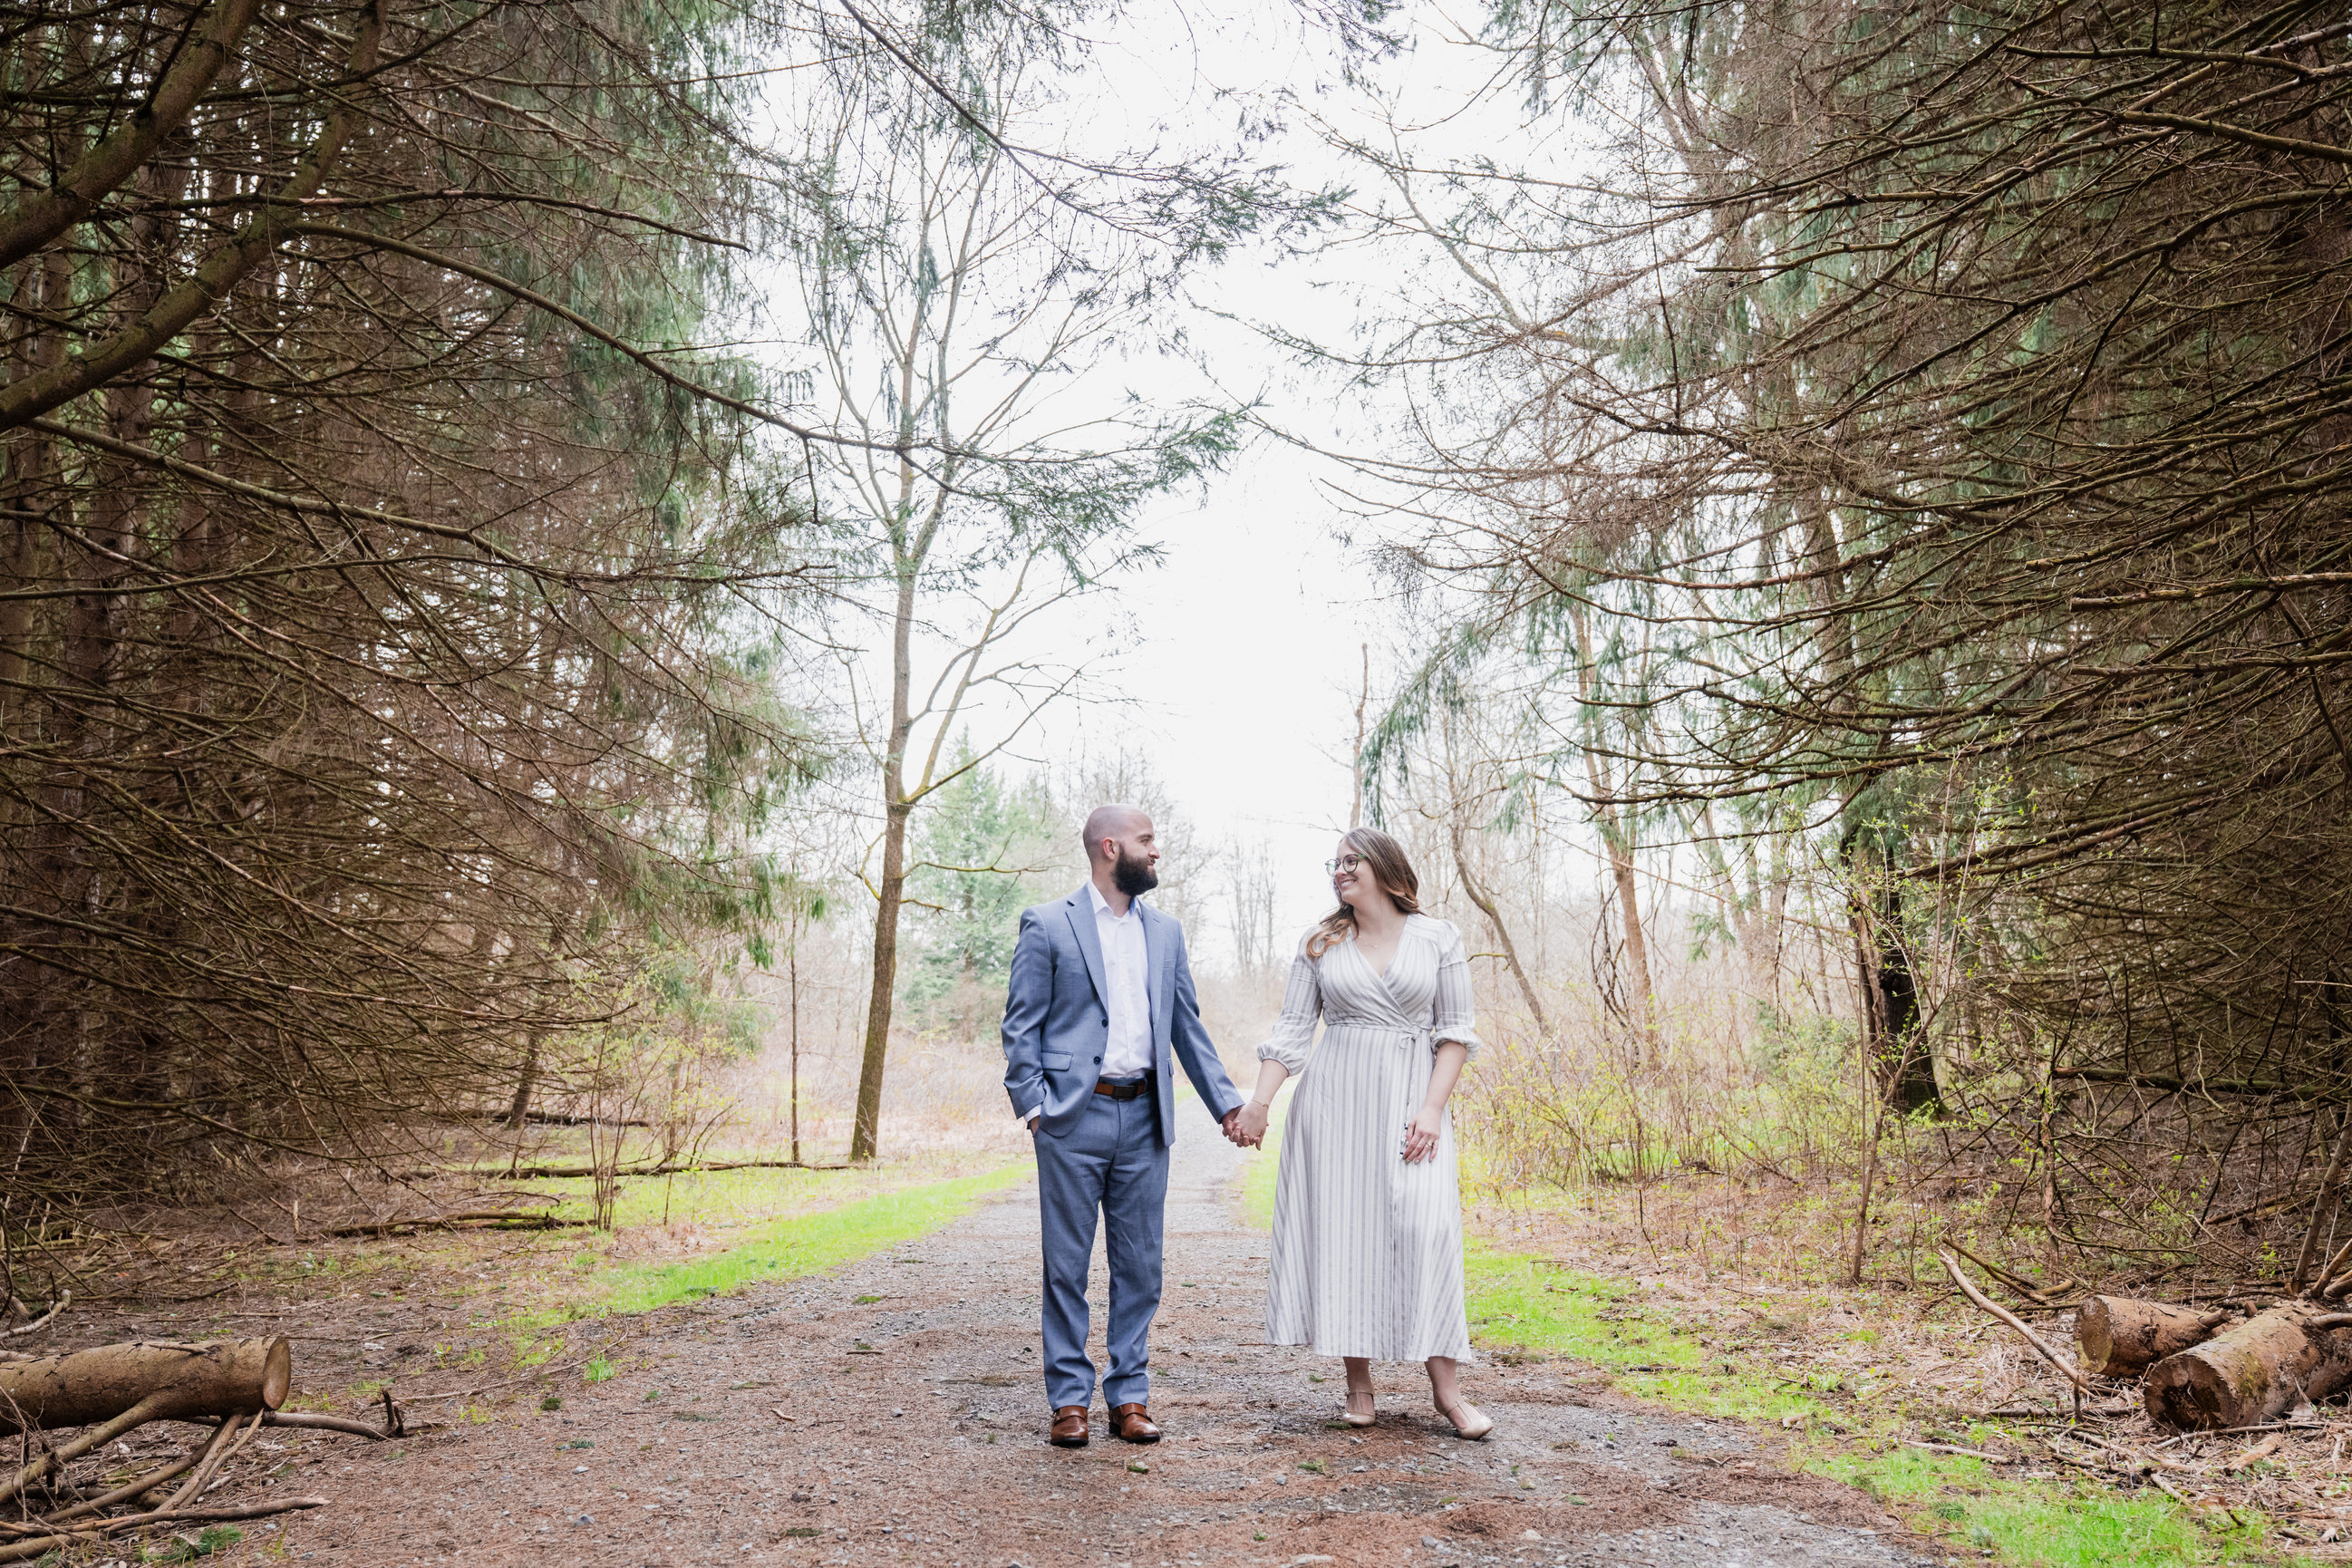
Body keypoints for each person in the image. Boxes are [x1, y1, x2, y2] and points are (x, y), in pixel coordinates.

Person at [1232, 826, 1493, 1439]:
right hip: (1335, 1104)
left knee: (1425, 1233)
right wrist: (1259, 1104)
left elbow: (1455, 1032)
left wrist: (1431, 1108)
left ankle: (1447, 1393)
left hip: (1410, 1100)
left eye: (1353, 861)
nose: (1340, 870)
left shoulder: (1437, 937)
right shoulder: (1321, 943)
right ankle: (1358, 1385)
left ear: (1383, 867)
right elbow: (1293, 1032)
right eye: (1336, 862)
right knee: (1347, 1238)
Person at [1002, 804, 1249, 1448]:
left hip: (1145, 1118)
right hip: (1070, 1121)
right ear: (1110, 848)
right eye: (1147, 841)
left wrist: (1226, 1104)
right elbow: (1020, 1026)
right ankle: (1067, 1402)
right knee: (1066, 1266)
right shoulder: (1048, 924)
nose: (1156, 851)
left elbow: (1185, 1026)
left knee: (1141, 1267)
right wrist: (1033, 1108)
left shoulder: (1164, 933)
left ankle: (1129, 1395)